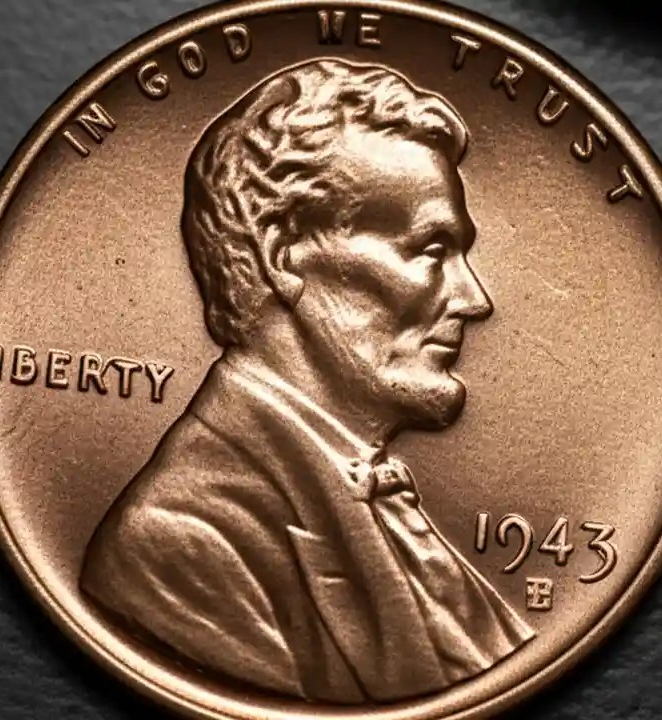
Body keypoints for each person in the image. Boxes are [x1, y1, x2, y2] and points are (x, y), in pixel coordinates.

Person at [81, 58, 533, 703]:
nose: (474, 298)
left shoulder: (369, 499)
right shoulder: (180, 543)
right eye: (430, 250)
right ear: (281, 252)